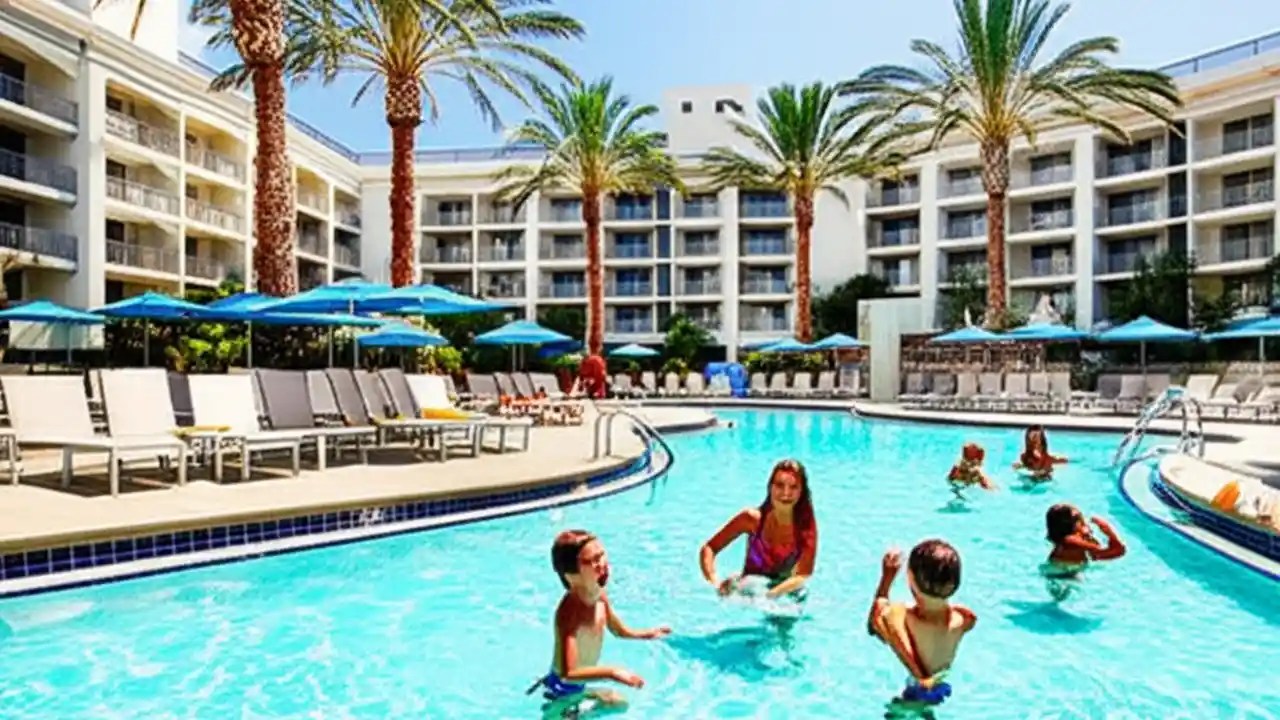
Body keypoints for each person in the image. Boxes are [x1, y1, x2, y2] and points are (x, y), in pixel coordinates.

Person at [528, 530, 671, 714]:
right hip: (561, 690)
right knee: (616, 703)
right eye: (592, 561)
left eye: (602, 555)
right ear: (572, 575)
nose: (602, 564)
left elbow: (619, 630)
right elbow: (568, 673)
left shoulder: (600, 597)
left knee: (618, 704)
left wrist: (647, 634)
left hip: (578, 686)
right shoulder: (570, 613)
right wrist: (612, 673)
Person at [866, 540, 977, 708]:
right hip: (940, 688)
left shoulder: (901, 616)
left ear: (910, 578)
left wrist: (887, 578)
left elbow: (874, 625)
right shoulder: (961, 619)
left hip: (914, 693)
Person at [699, 459, 818, 601]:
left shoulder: (805, 528)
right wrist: (714, 582)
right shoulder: (752, 519)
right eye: (780, 485)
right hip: (749, 589)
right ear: (770, 488)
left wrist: (768, 596)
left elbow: (803, 574)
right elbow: (710, 547)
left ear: (801, 492)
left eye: (793, 487)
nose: (786, 493)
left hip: (785, 595)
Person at [1044, 504, 1126, 578]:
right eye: (1079, 517)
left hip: (1066, 572)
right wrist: (1108, 531)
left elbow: (1096, 554)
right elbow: (1117, 551)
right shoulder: (1070, 541)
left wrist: (1087, 536)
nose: (1084, 520)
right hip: (1061, 577)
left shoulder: (1068, 540)